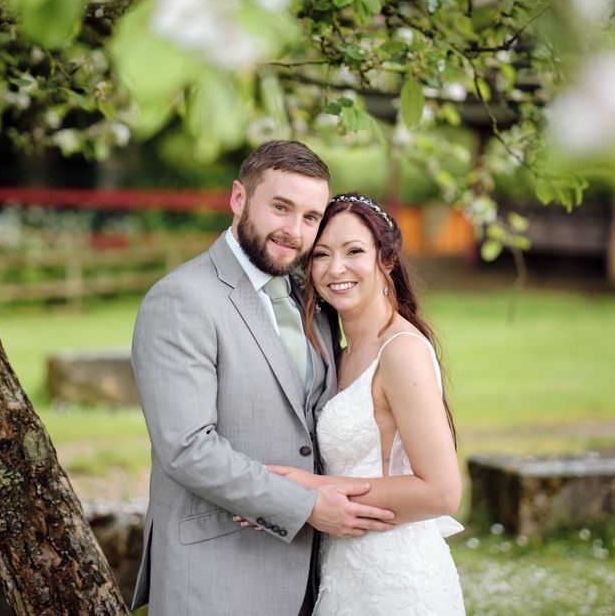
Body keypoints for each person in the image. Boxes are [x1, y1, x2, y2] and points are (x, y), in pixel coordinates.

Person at [130, 143, 396, 616]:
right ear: (238, 198)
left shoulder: (310, 300)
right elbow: (186, 447)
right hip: (216, 574)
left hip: (314, 577)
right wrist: (304, 505)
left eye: (311, 217)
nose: (295, 232)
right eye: (280, 207)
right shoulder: (181, 300)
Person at [265, 192, 466, 615]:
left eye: (354, 251)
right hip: (345, 573)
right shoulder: (338, 354)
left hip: (396, 580)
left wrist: (311, 490)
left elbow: (443, 492)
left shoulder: (401, 352)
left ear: (387, 258)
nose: (336, 269)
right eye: (321, 254)